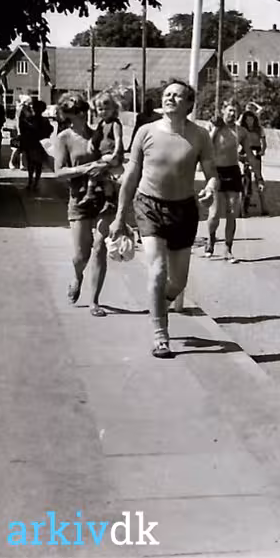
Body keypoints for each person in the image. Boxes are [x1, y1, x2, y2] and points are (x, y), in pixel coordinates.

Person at [110, 80, 217, 358]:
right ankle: (160, 334)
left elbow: (211, 172)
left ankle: (159, 303)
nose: (170, 98)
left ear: (189, 104)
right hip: (148, 206)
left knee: (177, 282)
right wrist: (120, 217)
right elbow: (131, 176)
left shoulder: (200, 135)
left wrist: (211, 186)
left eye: (177, 95)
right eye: (167, 94)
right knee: (157, 270)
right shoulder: (145, 132)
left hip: (184, 210)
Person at [54, 93, 117, 317]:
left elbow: (115, 159)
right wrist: (85, 169)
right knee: (82, 255)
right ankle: (77, 276)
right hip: (79, 198)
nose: (77, 117)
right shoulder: (64, 137)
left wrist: (111, 166)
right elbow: (59, 172)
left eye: (79, 113)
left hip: (104, 196)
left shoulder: (101, 133)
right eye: (71, 115)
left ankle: (94, 301)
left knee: (100, 246)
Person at [206, 101, 245, 261]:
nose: (232, 114)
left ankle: (228, 249)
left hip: (233, 171)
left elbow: (248, 153)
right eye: (229, 111)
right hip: (216, 172)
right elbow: (206, 146)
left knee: (231, 213)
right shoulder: (213, 126)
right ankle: (211, 238)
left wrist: (259, 176)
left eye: (235, 112)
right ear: (223, 110)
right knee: (214, 214)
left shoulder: (240, 131)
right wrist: (215, 129)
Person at [238, 108, 268, 215]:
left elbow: (263, 142)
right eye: (247, 120)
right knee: (246, 180)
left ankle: (264, 207)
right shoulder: (241, 130)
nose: (249, 122)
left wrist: (262, 151)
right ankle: (243, 207)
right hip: (246, 153)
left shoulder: (259, 129)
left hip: (256, 153)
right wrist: (240, 155)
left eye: (251, 119)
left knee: (259, 178)